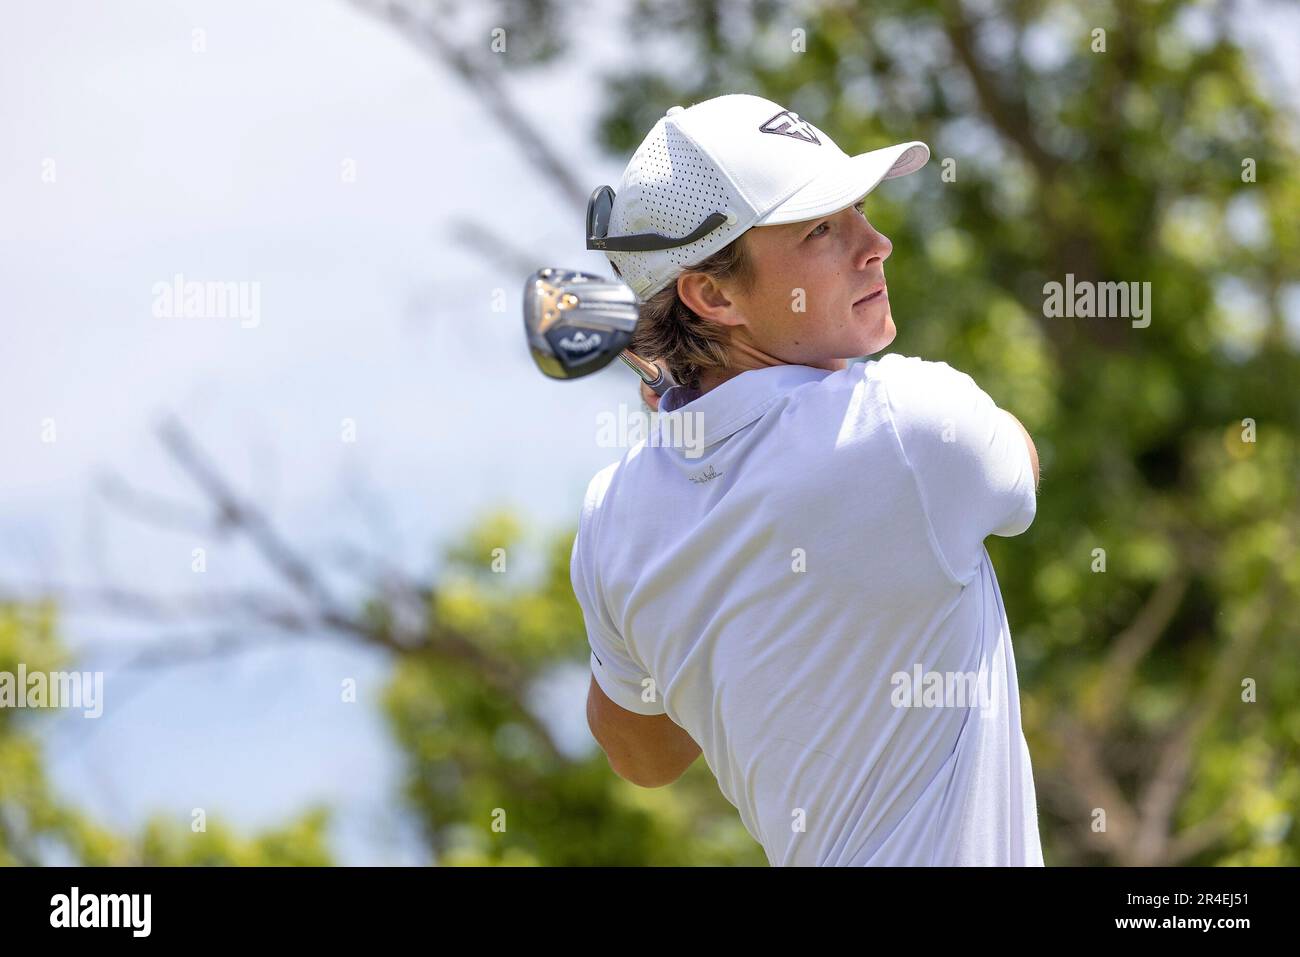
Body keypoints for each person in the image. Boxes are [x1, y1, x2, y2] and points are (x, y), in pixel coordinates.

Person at [571, 93, 1044, 866]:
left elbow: (641, 755)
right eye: (822, 228)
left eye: (857, 209)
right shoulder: (909, 423)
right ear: (713, 295)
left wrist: (693, 411)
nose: (877, 242)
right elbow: (1019, 463)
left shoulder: (611, 517)